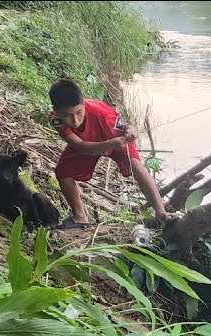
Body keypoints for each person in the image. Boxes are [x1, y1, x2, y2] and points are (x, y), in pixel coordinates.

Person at [47, 78, 169, 229]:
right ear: (56, 111)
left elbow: (126, 126)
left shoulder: (101, 113)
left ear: (83, 103)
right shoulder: (55, 119)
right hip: (87, 144)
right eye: (68, 116)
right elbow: (79, 146)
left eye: (79, 112)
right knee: (62, 172)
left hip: (113, 137)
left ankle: (161, 213)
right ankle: (80, 217)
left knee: (136, 166)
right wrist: (109, 145)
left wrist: (131, 131)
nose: (75, 120)